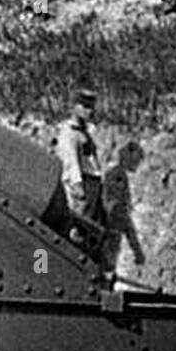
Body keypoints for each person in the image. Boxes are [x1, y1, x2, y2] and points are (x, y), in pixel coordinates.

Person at [56, 89, 105, 256]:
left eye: (91, 107)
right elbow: (70, 161)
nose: (89, 111)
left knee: (91, 226)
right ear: (74, 107)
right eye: (84, 106)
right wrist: (77, 185)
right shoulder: (69, 133)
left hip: (93, 183)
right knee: (79, 228)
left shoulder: (86, 131)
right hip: (81, 184)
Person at [100, 140, 147, 281]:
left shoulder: (117, 174)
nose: (138, 164)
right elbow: (117, 211)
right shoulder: (117, 175)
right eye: (137, 159)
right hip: (110, 233)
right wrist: (136, 250)